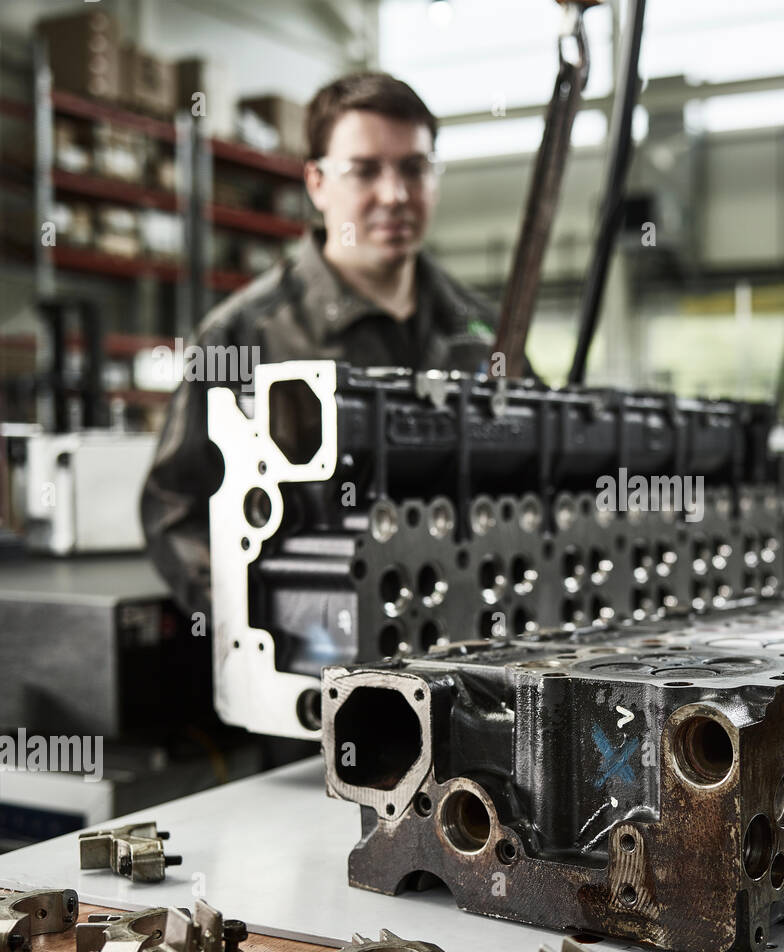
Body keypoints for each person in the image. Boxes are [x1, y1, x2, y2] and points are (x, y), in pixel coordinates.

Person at [141, 72, 519, 617]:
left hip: (473, 638)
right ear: (316, 182)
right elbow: (173, 508)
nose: (394, 195)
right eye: (364, 171)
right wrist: (266, 627)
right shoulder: (245, 336)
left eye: (414, 168)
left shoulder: (486, 331)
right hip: (314, 663)